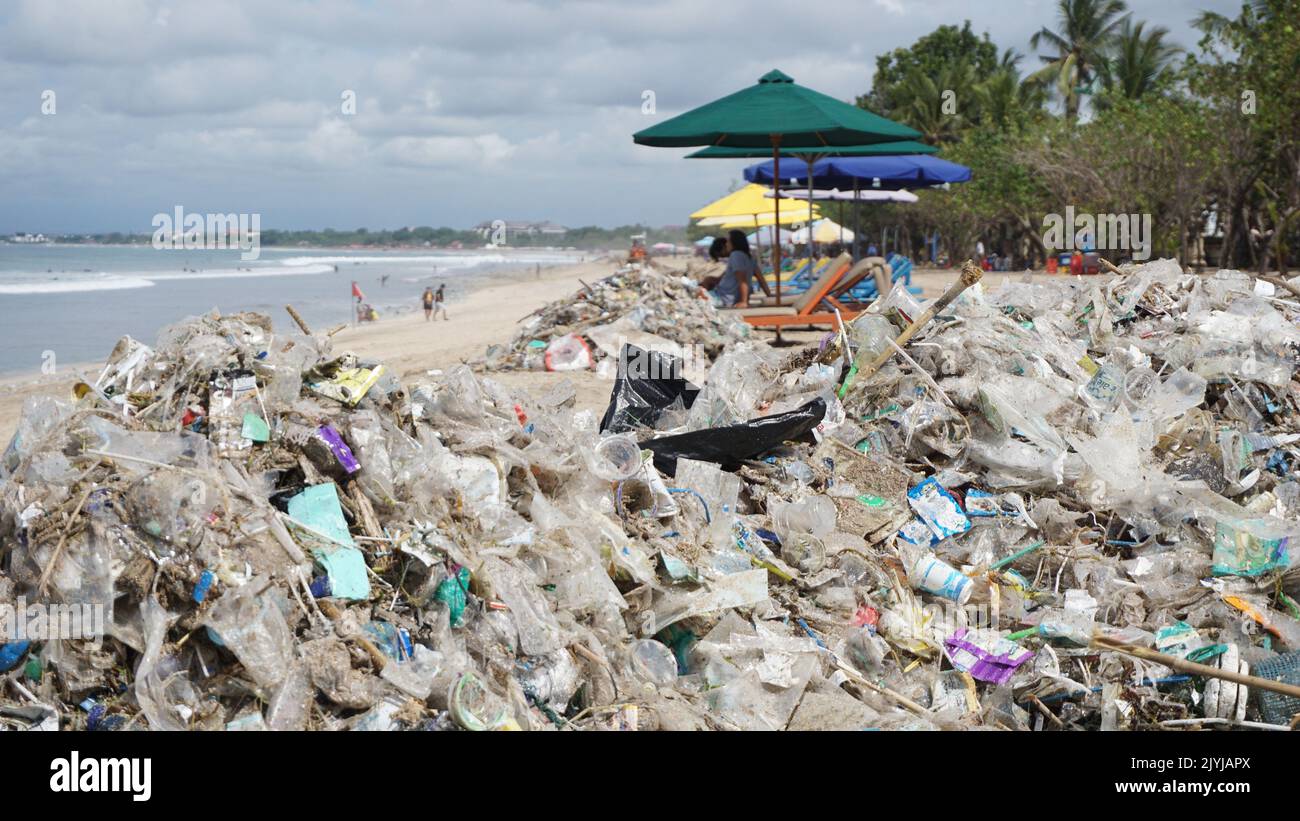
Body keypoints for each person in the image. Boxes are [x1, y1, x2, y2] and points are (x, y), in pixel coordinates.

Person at [711, 230, 768, 308]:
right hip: (729, 297)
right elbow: (761, 279)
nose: (726, 244)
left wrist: (743, 302)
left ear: (734, 242)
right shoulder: (749, 257)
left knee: (698, 293)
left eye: (728, 241)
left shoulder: (736, 255)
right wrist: (769, 295)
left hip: (724, 297)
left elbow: (742, 280)